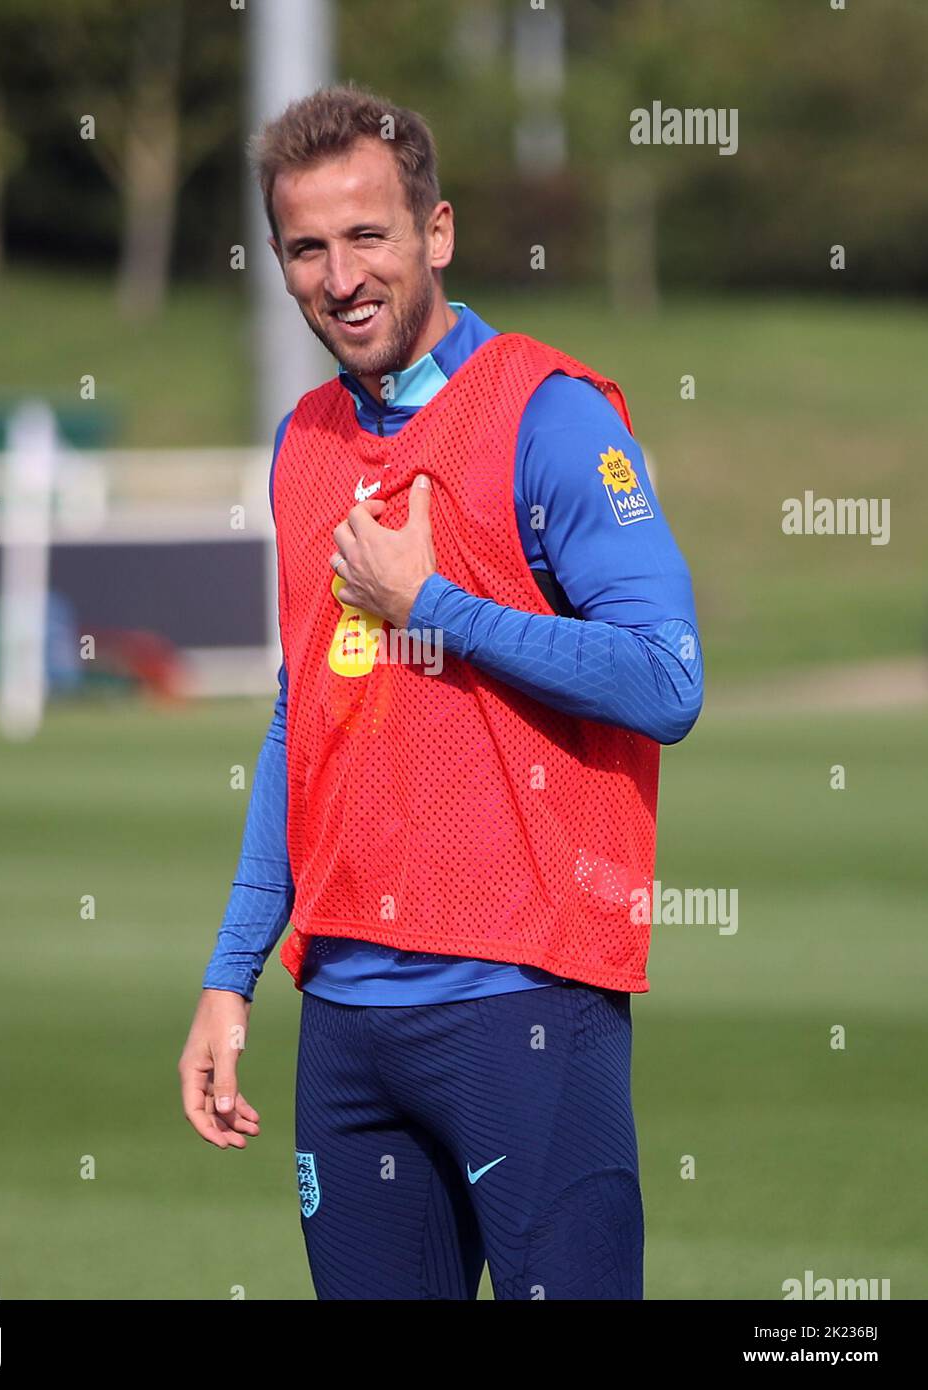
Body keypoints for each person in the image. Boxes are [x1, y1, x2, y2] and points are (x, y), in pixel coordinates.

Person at [178, 84, 703, 1300]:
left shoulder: (550, 417)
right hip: (347, 1022)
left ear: (438, 233)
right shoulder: (302, 443)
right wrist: (229, 970)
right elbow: (295, 713)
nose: (339, 274)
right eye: (306, 247)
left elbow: (667, 678)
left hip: (520, 1005)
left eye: (369, 235)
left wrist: (439, 610)